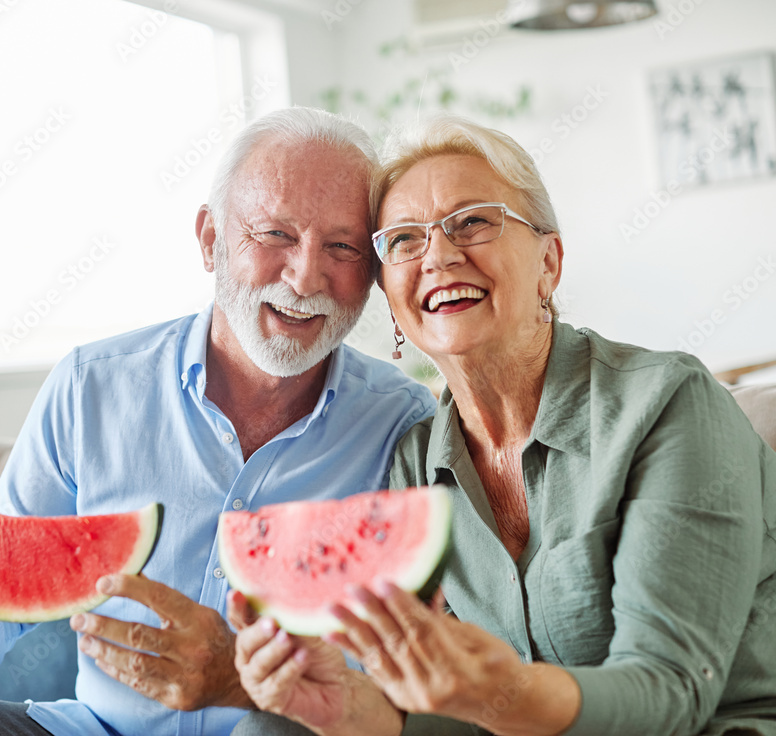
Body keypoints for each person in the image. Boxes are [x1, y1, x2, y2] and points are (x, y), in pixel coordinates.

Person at [0, 108, 435, 736]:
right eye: (275, 234)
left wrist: (250, 680)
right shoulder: (92, 385)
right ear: (209, 240)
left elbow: (415, 673)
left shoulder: (406, 426)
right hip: (93, 728)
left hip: (281, 729)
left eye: (343, 246)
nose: (307, 276)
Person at [231, 114, 776, 736]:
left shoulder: (668, 405)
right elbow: (444, 705)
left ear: (549, 261)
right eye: (404, 240)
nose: (438, 255)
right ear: (393, 304)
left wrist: (503, 691)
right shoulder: (415, 462)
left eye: (472, 222)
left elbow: (673, 695)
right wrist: (353, 707)